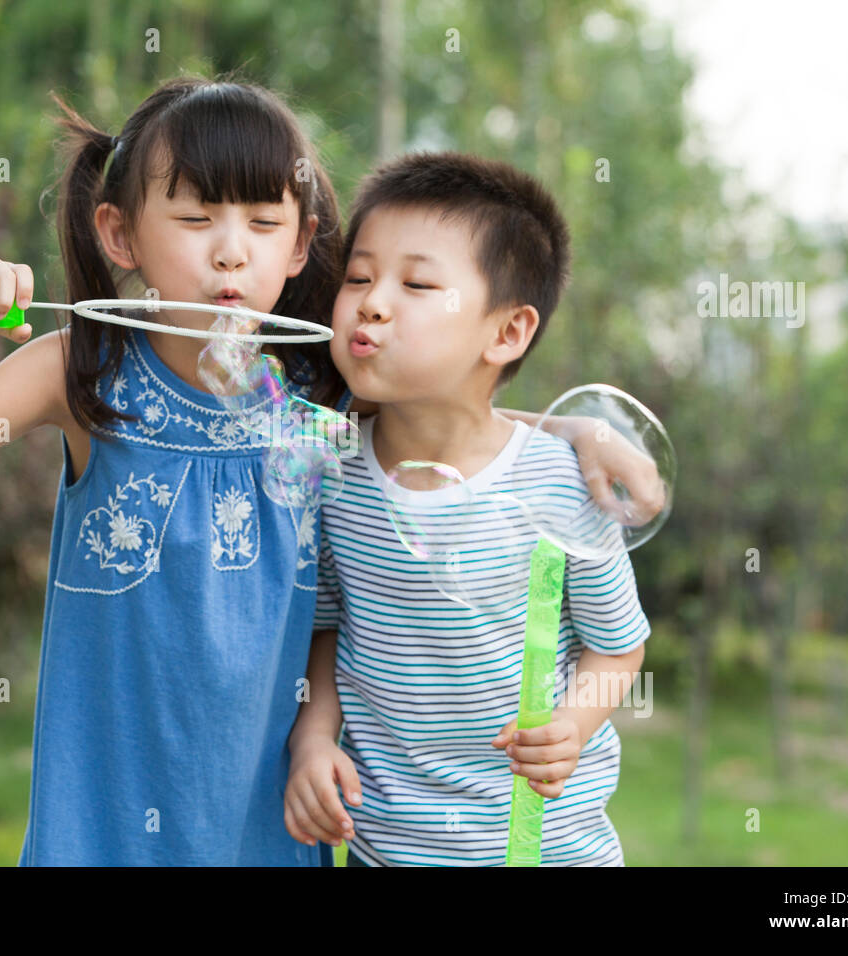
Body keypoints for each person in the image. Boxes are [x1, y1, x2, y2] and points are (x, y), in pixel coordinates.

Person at [0, 76, 654, 865]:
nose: (231, 251)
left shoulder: (317, 398)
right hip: (103, 834)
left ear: (302, 245)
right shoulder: (82, 376)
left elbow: (450, 416)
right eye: (195, 217)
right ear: (119, 234)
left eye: (265, 222)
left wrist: (573, 428)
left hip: (269, 834)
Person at [285, 151, 654, 866]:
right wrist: (311, 739)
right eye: (358, 276)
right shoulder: (329, 474)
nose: (373, 300)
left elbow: (619, 644)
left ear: (507, 332)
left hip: (545, 850)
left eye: (417, 283)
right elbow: (325, 633)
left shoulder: (560, 482)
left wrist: (572, 728)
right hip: (386, 851)